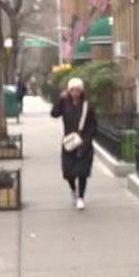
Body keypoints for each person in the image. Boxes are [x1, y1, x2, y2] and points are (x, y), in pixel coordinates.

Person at [51, 77, 97, 210]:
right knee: (68, 173)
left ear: (81, 91)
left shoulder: (87, 106)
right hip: (69, 142)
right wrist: (60, 100)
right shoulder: (65, 104)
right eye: (72, 90)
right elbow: (54, 114)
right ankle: (73, 189)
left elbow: (93, 125)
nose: (75, 93)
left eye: (77, 90)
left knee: (82, 172)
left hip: (84, 143)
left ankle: (81, 197)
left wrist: (87, 139)